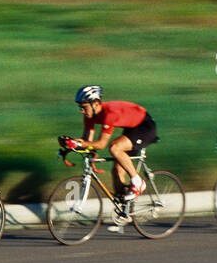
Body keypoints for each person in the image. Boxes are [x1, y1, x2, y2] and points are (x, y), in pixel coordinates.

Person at [60, 85, 158, 218]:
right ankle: (125, 210)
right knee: (117, 170)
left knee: (114, 147)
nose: (82, 111)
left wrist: (80, 144)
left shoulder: (109, 114)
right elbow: (87, 141)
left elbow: (101, 144)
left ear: (96, 104)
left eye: (84, 107)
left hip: (145, 127)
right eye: (80, 107)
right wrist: (71, 144)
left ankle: (138, 182)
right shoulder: (89, 116)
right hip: (131, 128)